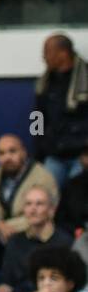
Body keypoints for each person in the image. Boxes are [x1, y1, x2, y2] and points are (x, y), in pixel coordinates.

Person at [0, 134, 58, 244]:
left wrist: (5, 227)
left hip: (34, 237)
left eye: (12, 151)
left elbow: (42, 214)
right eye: (1, 153)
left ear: (24, 153)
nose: (7, 157)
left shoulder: (43, 178)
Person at [0, 186, 72, 292]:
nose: (33, 209)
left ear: (52, 210)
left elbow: (66, 286)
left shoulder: (66, 242)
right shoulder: (14, 242)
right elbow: (6, 283)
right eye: (28, 204)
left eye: (39, 204)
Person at [34, 34, 88, 187]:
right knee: (45, 196)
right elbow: (37, 116)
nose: (43, 57)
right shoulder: (45, 83)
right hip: (53, 155)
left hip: (81, 156)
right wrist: (39, 148)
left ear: (63, 54)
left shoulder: (85, 78)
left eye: (47, 52)